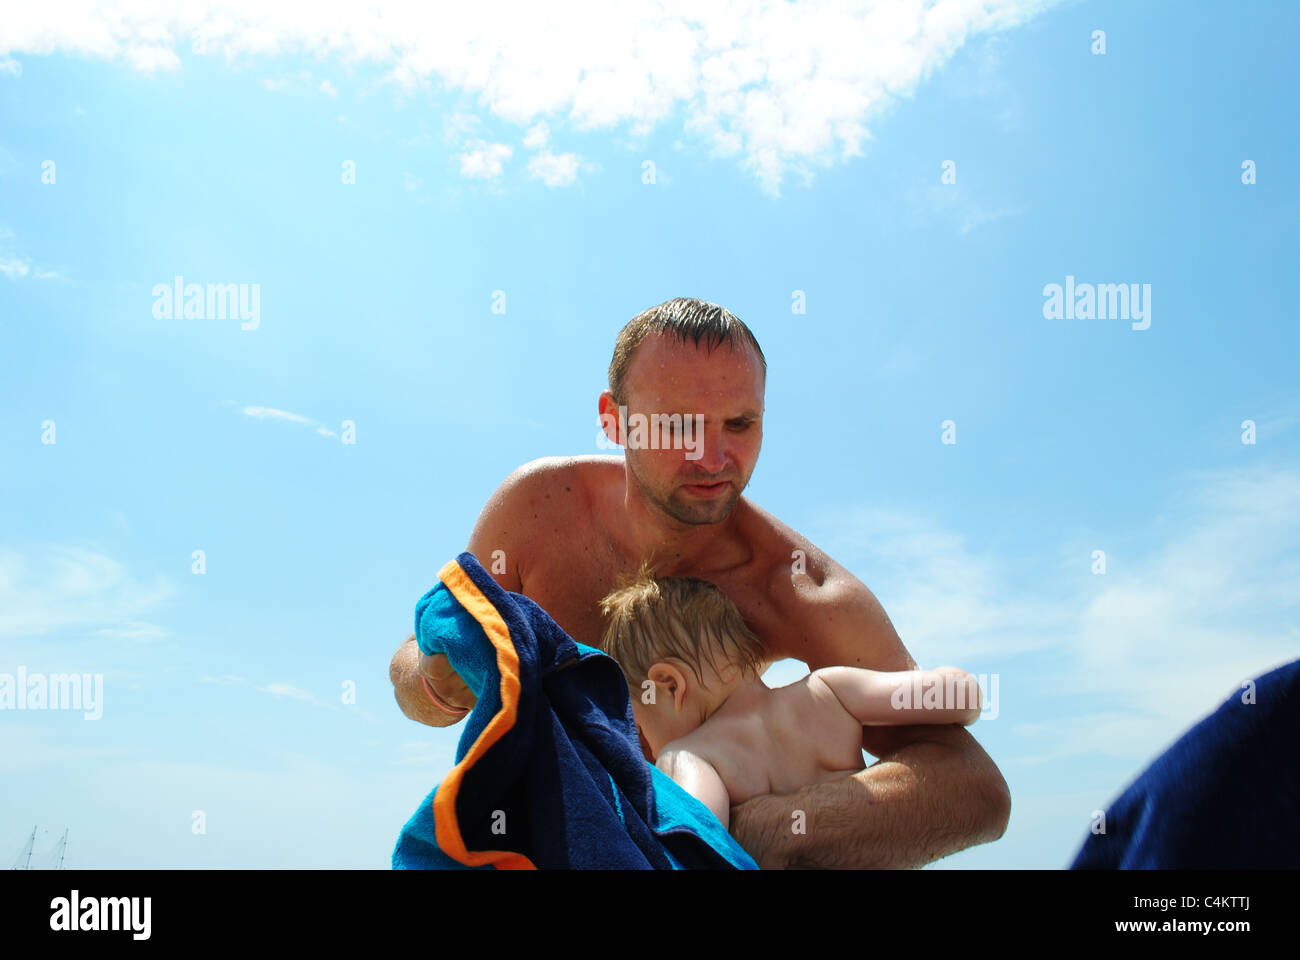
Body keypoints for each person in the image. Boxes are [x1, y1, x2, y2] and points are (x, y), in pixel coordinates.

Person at [389, 297, 1010, 868]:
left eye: (738, 424)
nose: (712, 460)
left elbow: (974, 787)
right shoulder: (539, 511)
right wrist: (440, 681)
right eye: (677, 427)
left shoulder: (799, 591)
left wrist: (751, 834)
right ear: (614, 420)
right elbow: (418, 663)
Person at [598, 566, 984, 830]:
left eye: (642, 727)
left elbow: (699, 841)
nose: (645, 748)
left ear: (669, 685)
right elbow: (955, 695)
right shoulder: (831, 691)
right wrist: (959, 686)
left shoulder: (689, 756)